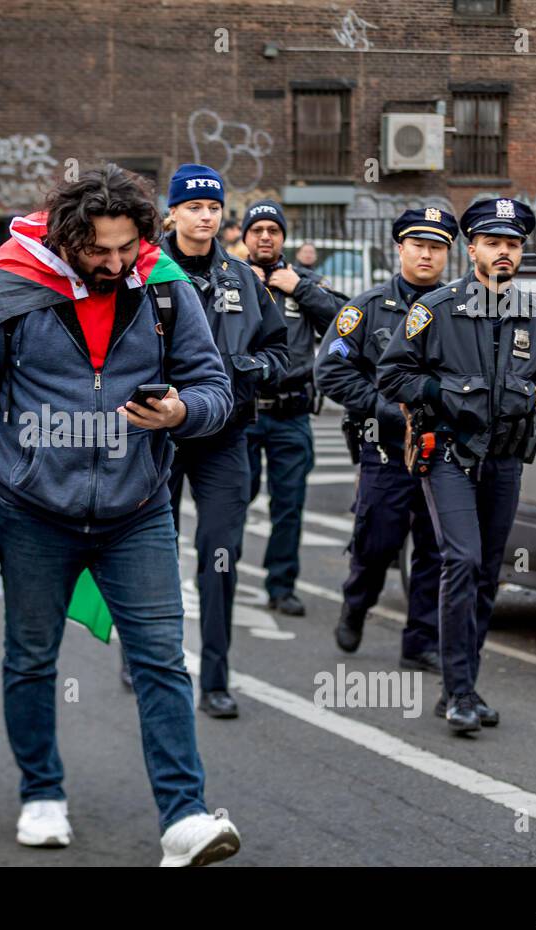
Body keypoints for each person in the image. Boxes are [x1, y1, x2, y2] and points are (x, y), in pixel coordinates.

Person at [0, 163, 242, 866]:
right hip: (34, 509)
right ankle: (41, 793)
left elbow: (213, 388)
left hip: (138, 510)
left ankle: (185, 818)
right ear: (65, 239)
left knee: (162, 659)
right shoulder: (11, 282)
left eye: (125, 248)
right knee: (32, 657)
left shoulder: (162, 285)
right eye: (98, 251)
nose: (114, 263)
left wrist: (181, 412)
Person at [377, 199, 536, 734]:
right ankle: (456, 691)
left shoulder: (532, 313)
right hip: (449, 455)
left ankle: (467, 685)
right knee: (461, 559)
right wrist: (442, 391)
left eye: (513, 245)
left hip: (505, 457)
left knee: (486, 572)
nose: (504, 252)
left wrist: (530, 400)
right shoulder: (435, 309)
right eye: (493, 243)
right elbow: (393, 376)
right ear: (473, 249)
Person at [158, 165, 292, 718]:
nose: (205, 215)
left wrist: (248, 369)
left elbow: (282, 354)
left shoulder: (242, 280)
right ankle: (150, 658)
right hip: (156, 438)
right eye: (194, 207)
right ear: (173, 213)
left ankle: (215, 676)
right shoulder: (146, 273)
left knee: (220, 555)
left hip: (224, 436)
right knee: (153, 552)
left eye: (213, 207)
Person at [315, 208, 458, 671]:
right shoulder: (367, 307)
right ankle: (357, 602)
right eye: (418, 245)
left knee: (435, 548)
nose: (426, 254)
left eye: (437, 247)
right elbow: (330, 371)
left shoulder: (461, 307)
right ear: (400, 248)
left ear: (448, 255)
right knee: (377, 541)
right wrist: (382, 407)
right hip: (386, 449)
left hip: (443, 451)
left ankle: (420, 641)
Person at [241, 199, 339, 617]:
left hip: (291, 412)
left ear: (283, 238)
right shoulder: (230, 279)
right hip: (240, 413)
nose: (266, 236)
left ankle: (281, 586)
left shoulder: (303, 281)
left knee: (289, 504)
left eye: (273, 230)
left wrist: (296, 287)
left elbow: (344, 321)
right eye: (257, 230)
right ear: (245, 237)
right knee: (230, 500)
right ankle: (220, 576)